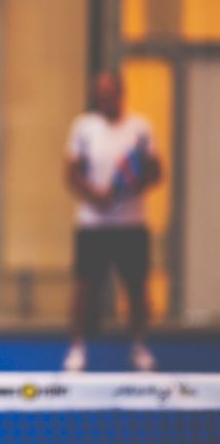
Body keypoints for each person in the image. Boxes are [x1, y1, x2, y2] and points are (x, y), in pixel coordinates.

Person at [63, 72, 162, 372]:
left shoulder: (140, 128)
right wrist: (95, 196)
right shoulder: (83, 128)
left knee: (136, 289)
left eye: (109, 93)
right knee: (84, 288)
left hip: (131, 225)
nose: (103, 98)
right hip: (92, 226)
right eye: (99, 94)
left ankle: (139, 347)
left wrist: (130, 187)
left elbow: (155, 171)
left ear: (121, 94)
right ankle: (77, 349)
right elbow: (71, 173)